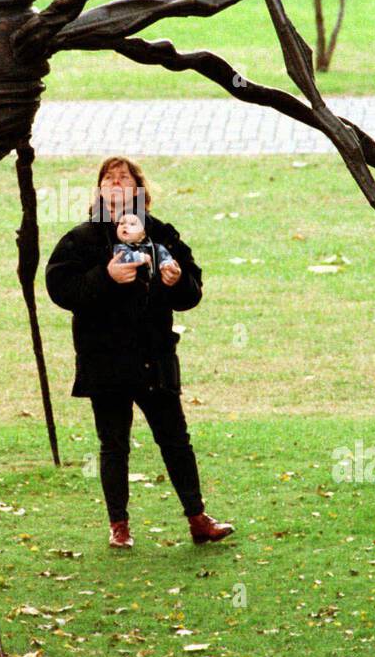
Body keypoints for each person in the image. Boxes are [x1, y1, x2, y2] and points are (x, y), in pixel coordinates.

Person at [45, 156, 234, 550]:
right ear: (99, 192)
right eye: (109, 180)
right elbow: (61, 289)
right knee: (113, 443)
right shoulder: (82, 240)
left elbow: (191, 292)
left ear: (140, 193)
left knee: (175, 439)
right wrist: (106, 277)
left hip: (154, 358)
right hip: (105, 360)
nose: (116, 184)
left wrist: (178, 280)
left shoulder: (162, 235)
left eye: (124, 179)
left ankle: (198, 519)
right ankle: (120, 527)